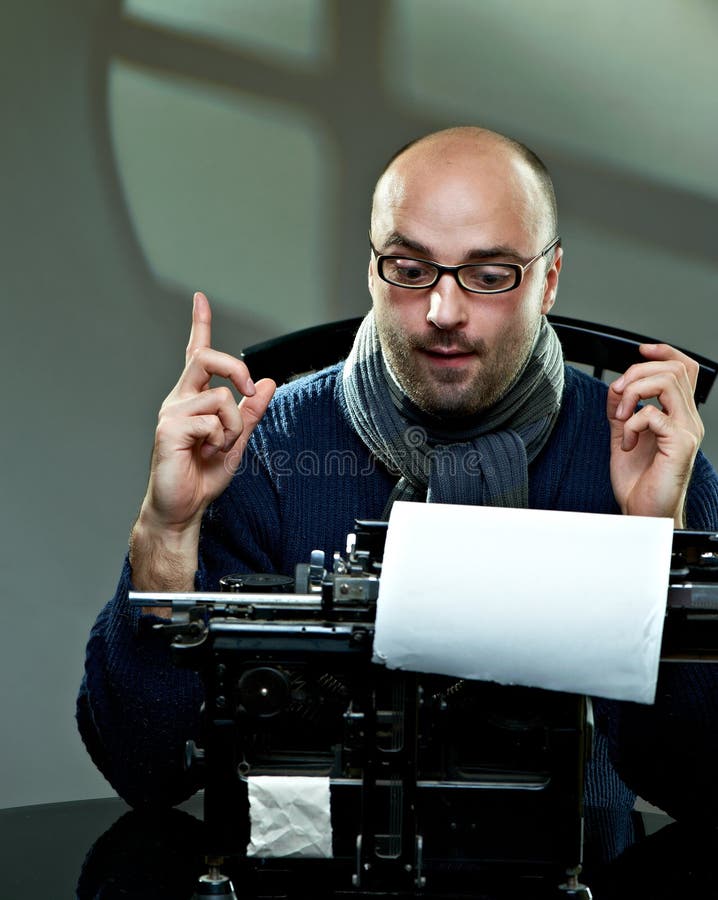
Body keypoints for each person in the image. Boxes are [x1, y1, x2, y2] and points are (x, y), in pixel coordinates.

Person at [77, 127, 718, 868]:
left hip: (573, 872)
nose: (443, 311)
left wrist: (654, 539)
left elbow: (698, 787)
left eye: (489, 275)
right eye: (410, 270)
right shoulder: (265, 451)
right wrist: (165, 533)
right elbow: (144, 772)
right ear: (373, 270)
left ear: (549, 280)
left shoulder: (640, 455)